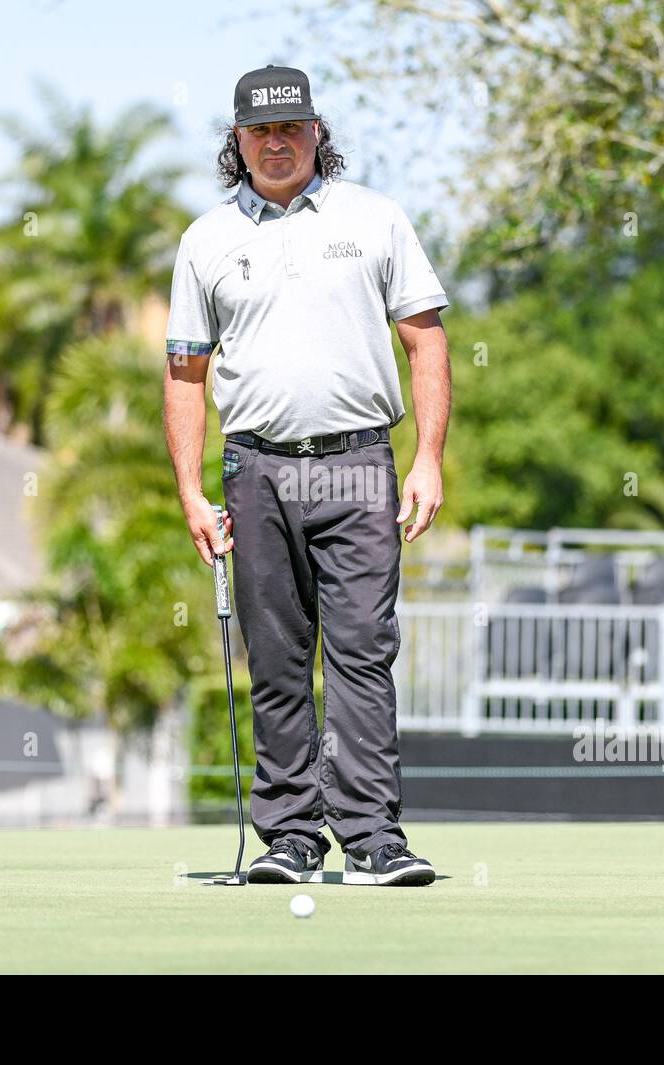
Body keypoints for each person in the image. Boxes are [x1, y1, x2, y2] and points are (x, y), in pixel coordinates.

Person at [162, 65, 451, 887]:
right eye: (261, 131)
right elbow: (185, 371)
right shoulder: (205, 240)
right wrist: (191, 489)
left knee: (362, 650)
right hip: (255, 471)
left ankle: (372, 838)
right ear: (238, 141)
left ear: (317, 131)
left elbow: (425, 341)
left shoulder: (377, 219)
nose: (278, 142)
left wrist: (427, 457)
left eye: (292, 127)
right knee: (279, 657)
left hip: (360, 463)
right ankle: (290, 835)